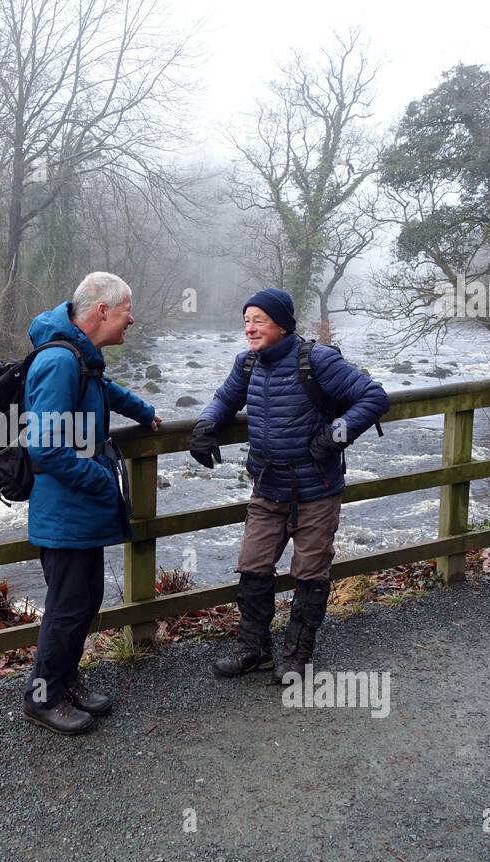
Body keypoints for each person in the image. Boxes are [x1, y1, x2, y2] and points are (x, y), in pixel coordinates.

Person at [189, 288, 388, 683]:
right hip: (267, 485)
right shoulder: (247, 364)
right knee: (252, 566)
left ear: (282, 324)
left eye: (258, 320)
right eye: (246, 320)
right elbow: (223, 399)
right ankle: (253, 650)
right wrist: (206, 426)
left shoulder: (317, 360)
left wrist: (336, 434)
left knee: (310, 573)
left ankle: (296, 656)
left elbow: (373, 396)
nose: (249, 328)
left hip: (317, 487)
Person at [21, 271, 161, 735]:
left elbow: (102, 390)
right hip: (66, 510)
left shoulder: (82, 354)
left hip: (77, 509)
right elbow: (45, 447)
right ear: (102, 311)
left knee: (84, 601)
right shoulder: (60, 361)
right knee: (68, 606)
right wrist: (104, 484)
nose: (132, 319)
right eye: (126, 311)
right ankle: (42, 698)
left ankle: (66, 682)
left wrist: (143, 411)